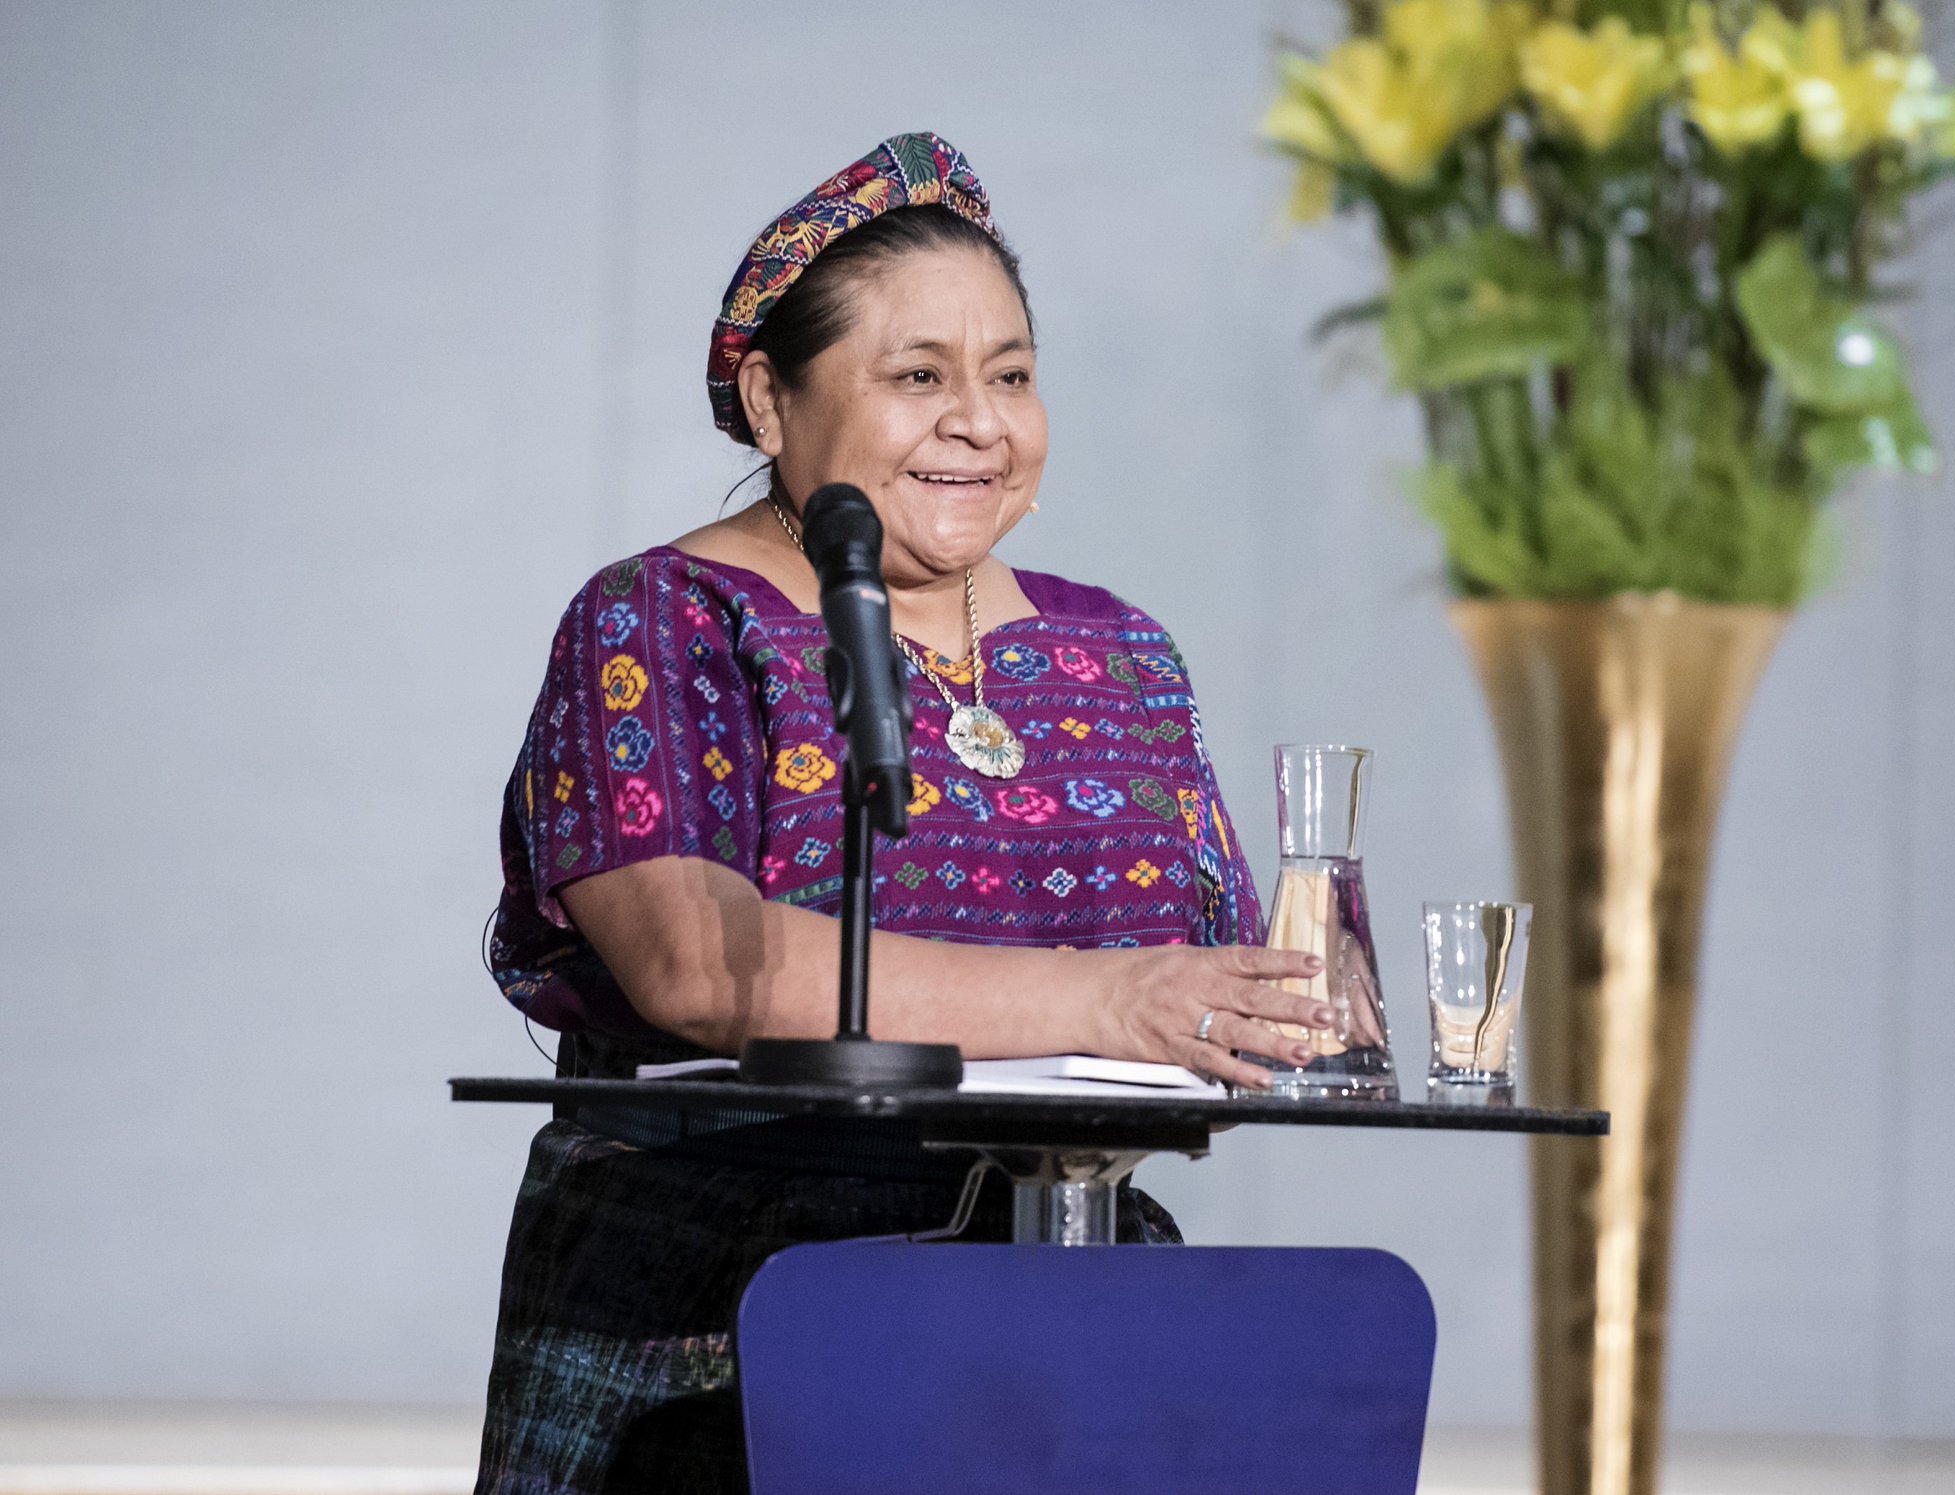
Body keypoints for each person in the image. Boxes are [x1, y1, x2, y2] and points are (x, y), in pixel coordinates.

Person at [475, 132, 1332, 1493]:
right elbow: (702, 967)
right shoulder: (660, 621)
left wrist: (1285, 1009)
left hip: (1074, 1289)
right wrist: (1110, 1001)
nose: (979, 422)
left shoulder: (1124, 652)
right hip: (724, 1309)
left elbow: (1223, 977)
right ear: (770, 401)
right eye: (918, 377)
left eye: (1011, 377)